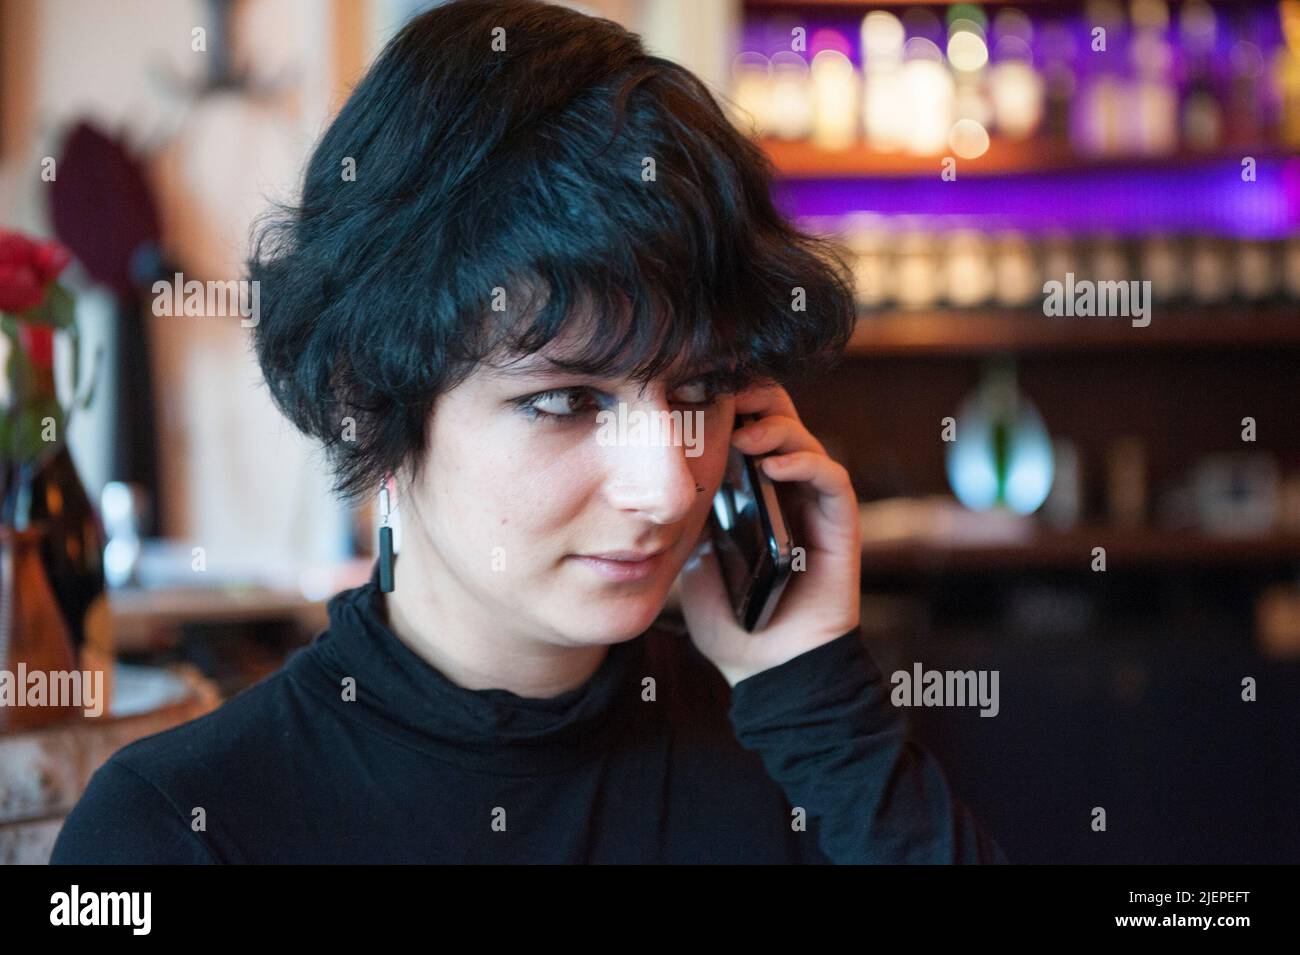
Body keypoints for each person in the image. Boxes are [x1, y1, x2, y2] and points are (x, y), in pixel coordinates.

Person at [51, 0, 1007, 864]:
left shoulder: (800, 759)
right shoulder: (177, 828)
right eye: (566, 400)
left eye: (702, 387)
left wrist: (817, 702)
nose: (668, 488)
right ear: (372, 395)